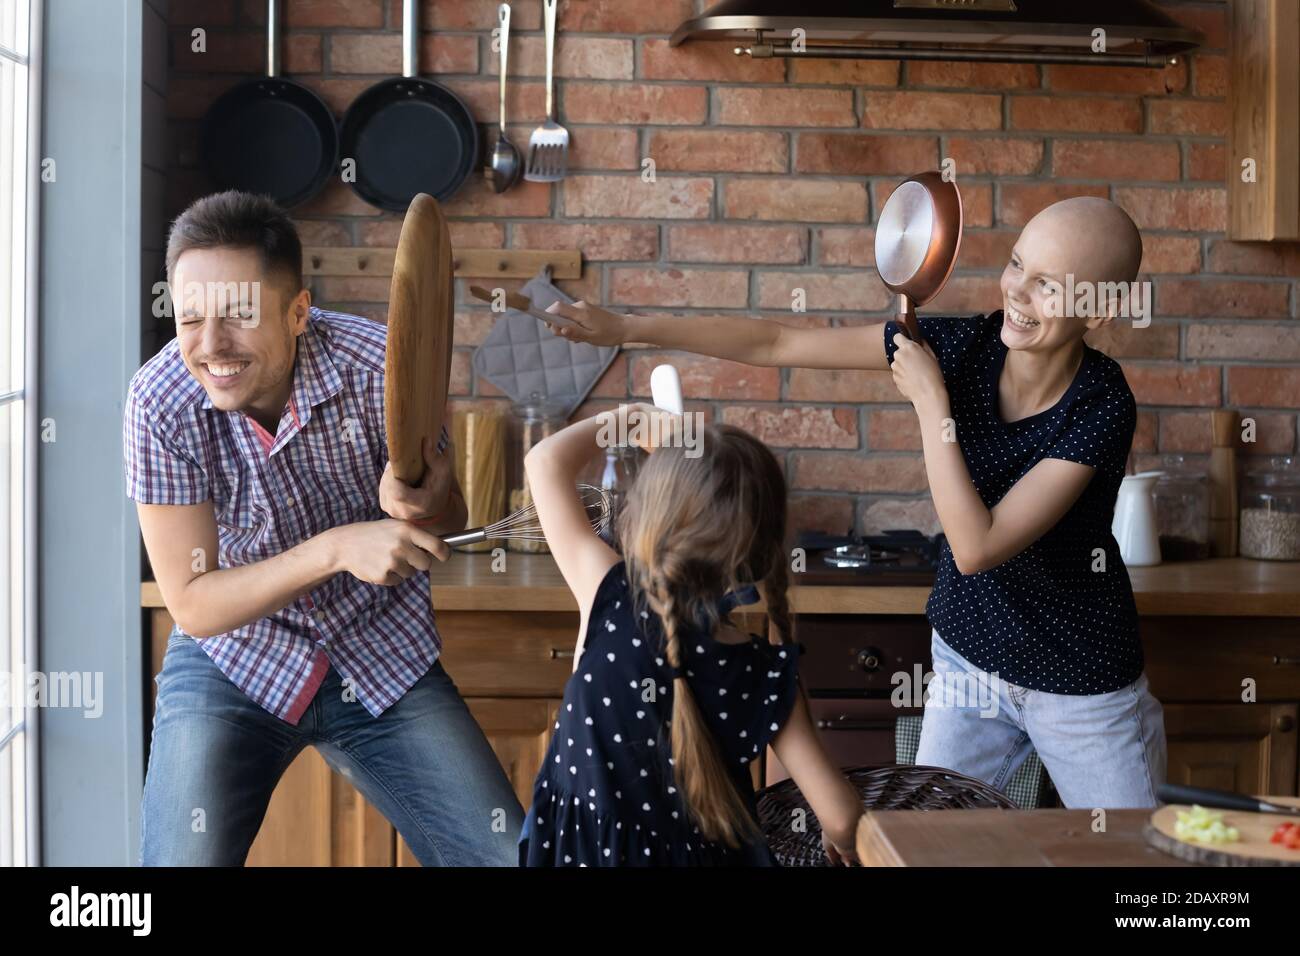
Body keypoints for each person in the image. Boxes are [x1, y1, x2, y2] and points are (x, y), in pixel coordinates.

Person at [540, 197, 1167, 809]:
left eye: (1049, 285)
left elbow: (978, 546)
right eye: (1015, 263)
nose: (1018, 291)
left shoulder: (1102, 406)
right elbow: (777, 344)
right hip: (970, 659)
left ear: (1103, 308)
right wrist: (628, 328)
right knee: (929, 856)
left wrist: (930, 404)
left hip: (1080, 680)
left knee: (1140, 871)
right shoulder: (963, 347)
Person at [126, 190, 523, 865]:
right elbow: (192, 600)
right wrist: (337, 548)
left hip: (379, 652)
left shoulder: (378, 367)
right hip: (235, 662)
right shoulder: (160, 404)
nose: (210, 346)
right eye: (189, 318)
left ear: (298, 311)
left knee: (510, 855)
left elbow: (449, 518)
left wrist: (422, 496)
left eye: (238, 316)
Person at [518, 403, 863, 865]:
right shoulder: (764, 671)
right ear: (763, 546)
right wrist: (837, 841)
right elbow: (841, 818)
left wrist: (632, 417)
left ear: (645, 516)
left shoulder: (611, 593)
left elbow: (544, 462)